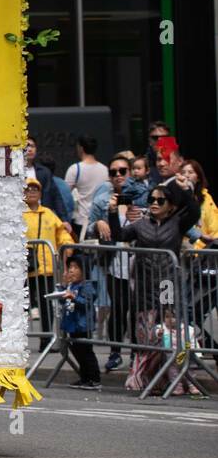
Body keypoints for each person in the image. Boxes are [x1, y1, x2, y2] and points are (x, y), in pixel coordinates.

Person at [108, 180, 201, 392]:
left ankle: (174, 379)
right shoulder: (141, 225)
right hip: (144, 285)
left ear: (171, 206)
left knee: (168, 333)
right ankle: (149, 379)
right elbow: (119, 236)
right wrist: (112, 212)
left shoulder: (178, 222)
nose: (155, 203)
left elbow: (194, 212)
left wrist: (183, 189)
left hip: (167, 284)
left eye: (161, 200)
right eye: (152, 199)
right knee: (148, 336)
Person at [91, 159, 143, 372]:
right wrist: (98, 223)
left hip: (141, 264)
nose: (118, 175)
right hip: (114, 264)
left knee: (138, 310)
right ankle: (115, 352)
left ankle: (137, 354)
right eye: (113, 172)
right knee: (119, 309)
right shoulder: (103, 199)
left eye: (123, 171)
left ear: (130, 172)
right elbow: (89, 229)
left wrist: (141, 213)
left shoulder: (143, 196)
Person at [24, 177, 73, 334]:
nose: (31, 192)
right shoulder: (16, 213)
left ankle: (46, 338)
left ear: (40, 193)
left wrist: (68, 247)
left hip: (46, 268)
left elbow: (61, 233)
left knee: (46, 305)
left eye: (35, 189)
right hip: (23, 267)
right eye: (27, 189)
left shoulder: (49, 214)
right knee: (20, 305)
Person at [58, 256, 101, 390]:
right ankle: (84, 377)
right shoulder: (71, 285)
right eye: (70, 267)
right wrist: (63, 287)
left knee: (86, 352)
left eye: (75, 267)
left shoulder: (87, 285)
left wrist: (74, 297)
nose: (71, 270)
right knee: (77, 351)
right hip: (72, 324)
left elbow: (86, 303)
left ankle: (94, 379)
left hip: (83, 325)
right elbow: (62, 300)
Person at [65, 136, 108, 235]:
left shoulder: (75, 169)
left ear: (81, 148)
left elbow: (66, 195)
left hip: (82, 220)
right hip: (101, 220)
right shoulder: (105, 169)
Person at [25, 137, 69, 223]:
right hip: (21, 218)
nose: (29, 149)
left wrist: (64, 220)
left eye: (32, 146)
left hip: (42, 218)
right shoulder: (13, 173)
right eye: (26, 146)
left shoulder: (44, 172)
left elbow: (56, 196)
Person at [177, 159, 218, 249]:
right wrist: (199, 236)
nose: (186, 175)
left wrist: (214, 240)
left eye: (190, 172)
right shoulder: (176, 195)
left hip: (205, 248)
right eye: (183, 172)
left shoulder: (206, 197)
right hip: (184, 248)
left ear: (198, 177)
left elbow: (214, 222)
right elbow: (177, 221)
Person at [145, 121, 172, 186]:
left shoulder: (177, 162)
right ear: (150, 141)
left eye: (164, 137)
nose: (160, 140)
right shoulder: (143, 163)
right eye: (155, 138)